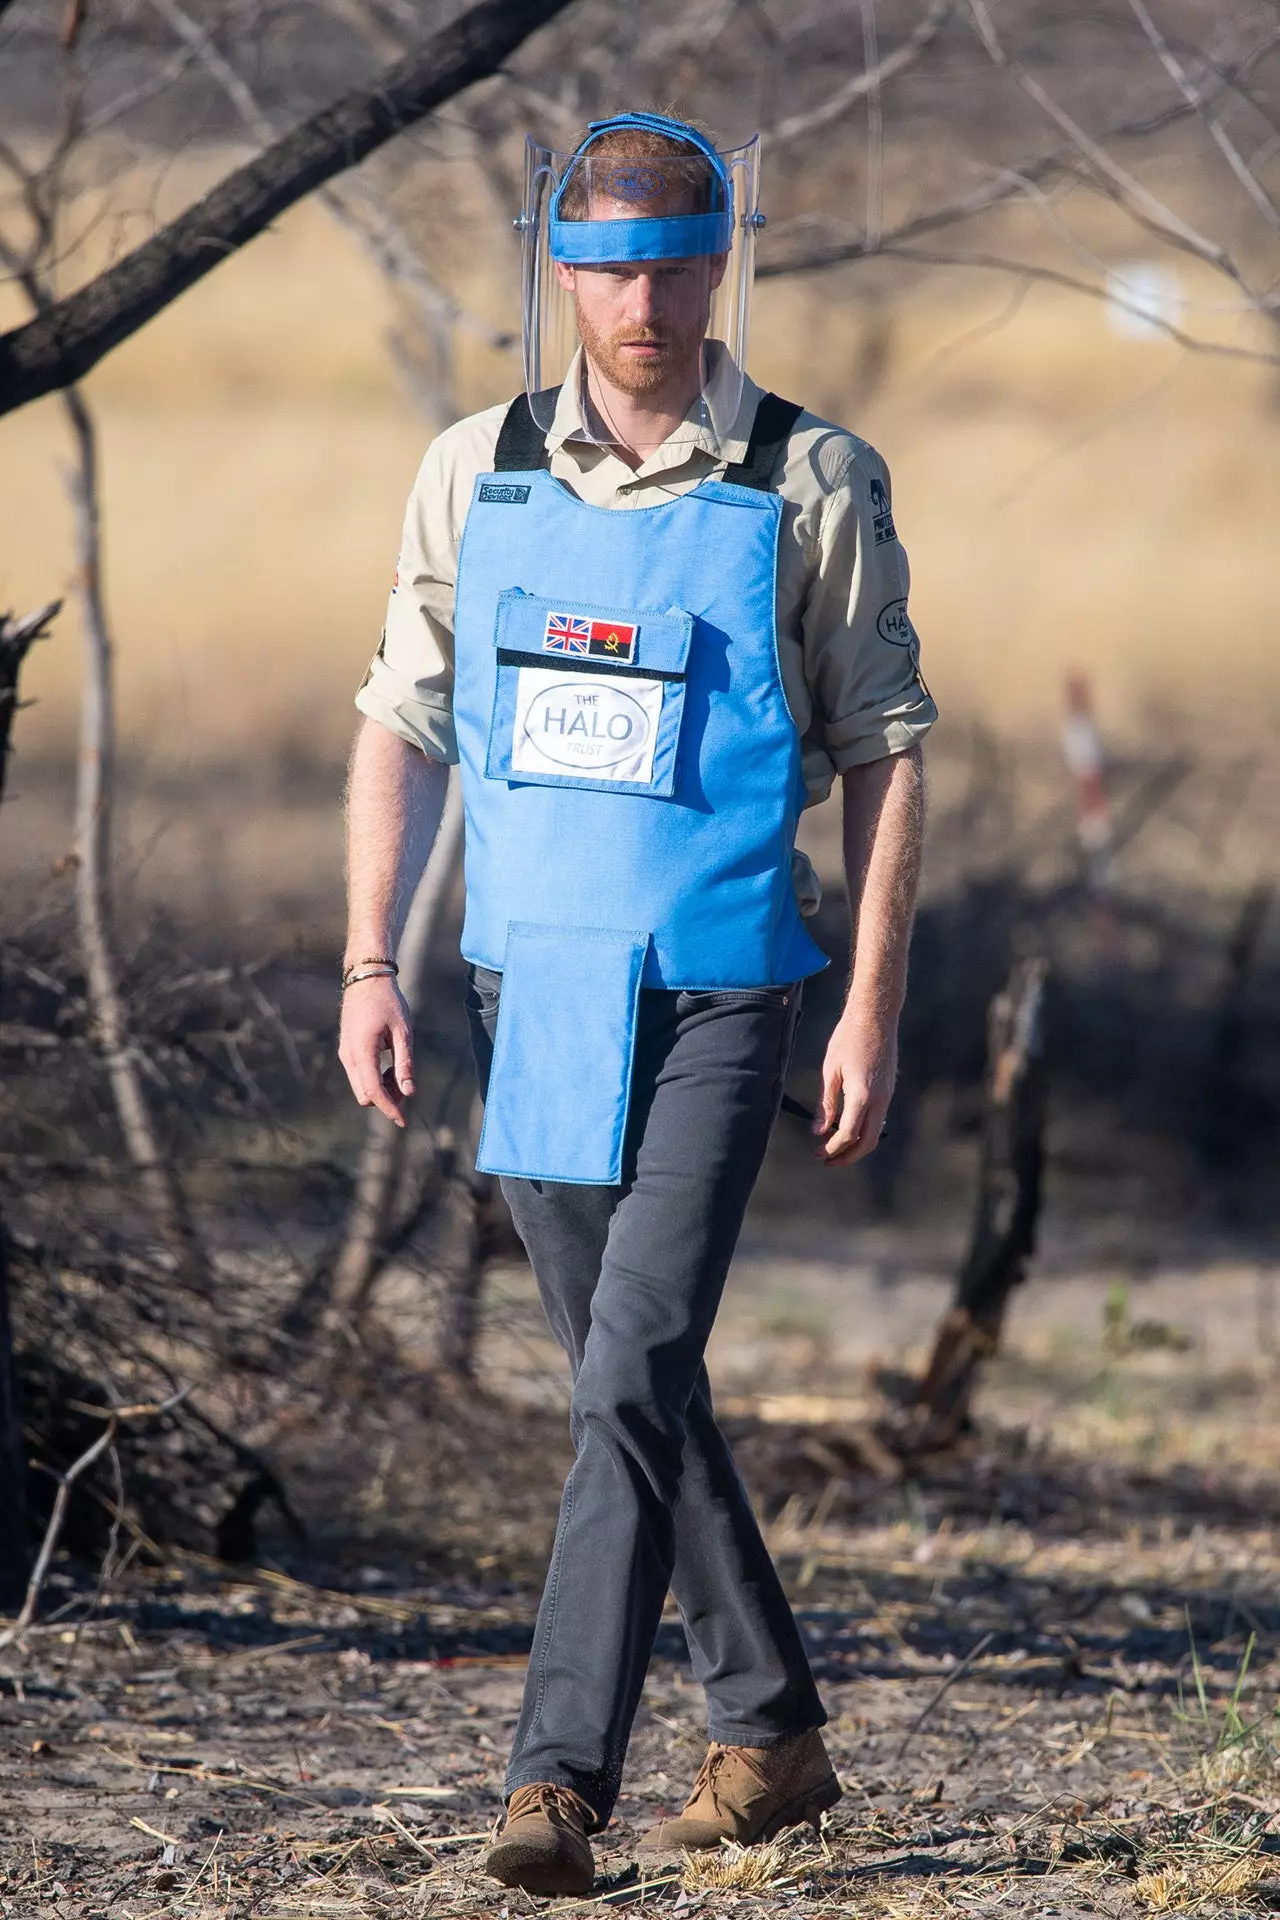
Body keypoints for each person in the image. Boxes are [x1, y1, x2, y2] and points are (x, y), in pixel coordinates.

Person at [339, 112, 935, 1898]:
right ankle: (773, 1736)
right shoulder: (476, 469)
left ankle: (555, 1786)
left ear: (721, 261)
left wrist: (874, 1008)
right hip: (533, 995)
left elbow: (891, 755)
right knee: (632, 1383)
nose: (646, 301)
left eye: (678, 263)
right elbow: (401, 715)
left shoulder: (810, 478)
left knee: (628, 1373)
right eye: (609, 267)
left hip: (728, 997)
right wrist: (371, 956)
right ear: (562, 271)